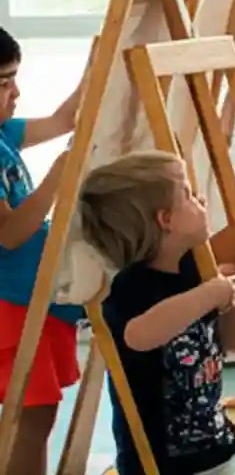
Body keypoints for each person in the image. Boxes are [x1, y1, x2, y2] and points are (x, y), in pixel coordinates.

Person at [79, 151, 235, 474]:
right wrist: (207, 295)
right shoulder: (132, 286)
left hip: (217, 451)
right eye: (189, 195)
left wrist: (230, 305)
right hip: (164, 465)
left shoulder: (196, 269)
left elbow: (233, 346)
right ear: (166, 220)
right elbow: (137, 335)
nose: (201, 200)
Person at [0, 26, 86, 475]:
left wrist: (103, 61)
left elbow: (63, 120)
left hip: (32, 298)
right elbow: (9, 234)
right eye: (3, 83)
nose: (16, 92)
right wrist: (58, 176)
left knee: (37, 417)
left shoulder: (3, 133)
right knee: (29, 419)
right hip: (11, 308)